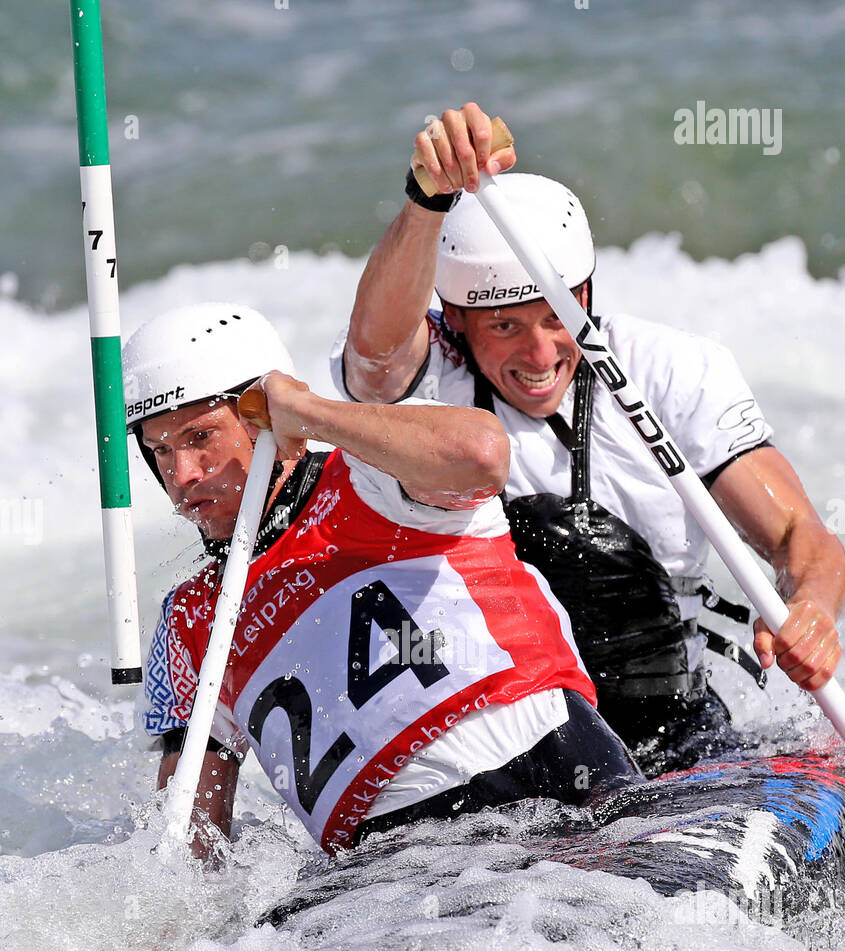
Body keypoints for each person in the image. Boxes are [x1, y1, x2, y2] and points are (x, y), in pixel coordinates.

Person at [334, 102, 845, 775]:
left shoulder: (674, 371)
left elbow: (796, 536)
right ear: (454, 320)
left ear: (587, 291)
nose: (541, 353)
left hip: (672, 726)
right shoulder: (434, 374)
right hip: (504, 744)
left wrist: (810, 607)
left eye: (558, 317)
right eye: (505, 328)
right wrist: (425, 198)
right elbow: (373, 362)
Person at [124, 301, 639, 860]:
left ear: (262, 417)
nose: (182, 477)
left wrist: (308, 410)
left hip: (548, 765)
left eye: (201, 438)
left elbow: (482, 456)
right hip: (390, 857)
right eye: (161, 451)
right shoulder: (190, 620)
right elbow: (191, 830)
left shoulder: (371, 474)